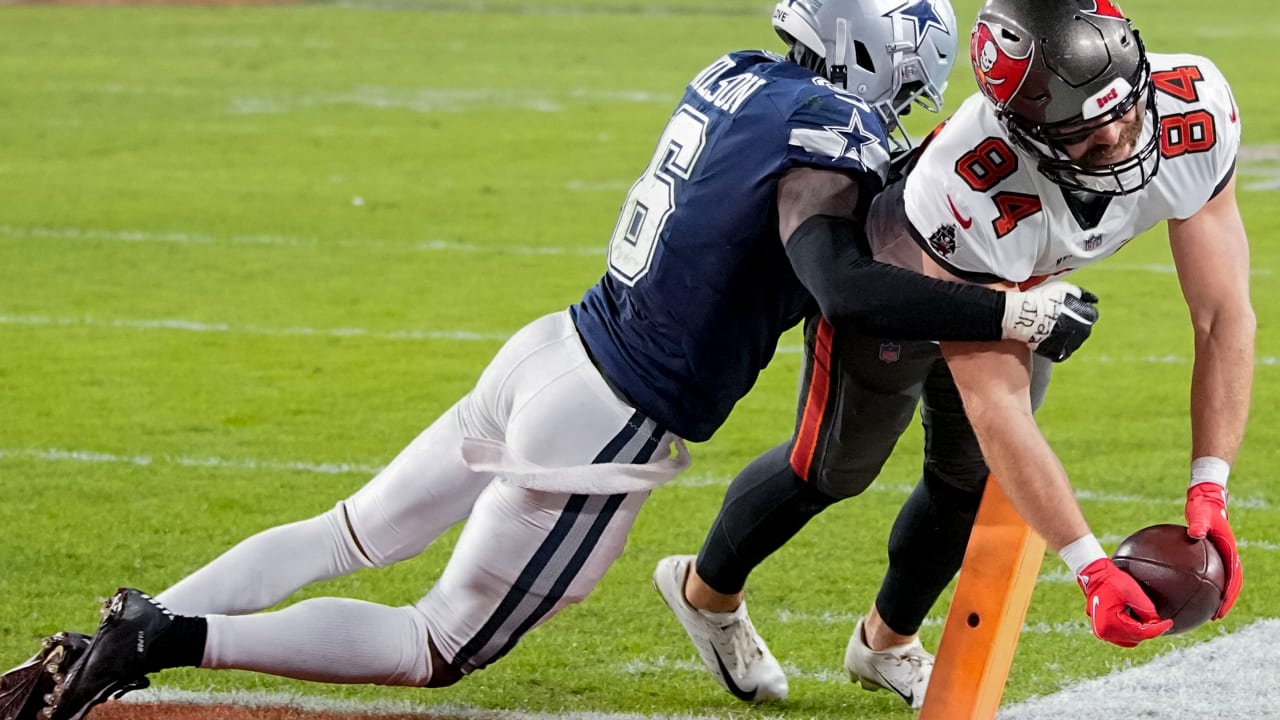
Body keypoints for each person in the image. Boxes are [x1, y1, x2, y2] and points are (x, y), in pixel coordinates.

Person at [0, 2, 1104, 720]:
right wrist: (1005, 314)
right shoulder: (827, 143)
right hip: (607, 420)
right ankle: (167, 630)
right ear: (869, 53)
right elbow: (844, 289)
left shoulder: (732, 75)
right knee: (439, 642)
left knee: (350, 530)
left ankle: (115, 637)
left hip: (551, 349)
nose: (906, 97)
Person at [655, 0, 1250, 710]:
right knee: (832, 470)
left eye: (1126, 105)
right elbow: (995, 403)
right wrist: (1090, 569)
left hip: (1022, 286)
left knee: (965, 484)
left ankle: (886, 642)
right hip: (902, 289)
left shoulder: (1194, 106)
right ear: (1026, 132)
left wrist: (1210, 486)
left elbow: (1221, 317)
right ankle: (706, 593)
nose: (1123, 135)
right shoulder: (970, 177)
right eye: (1086, 132)